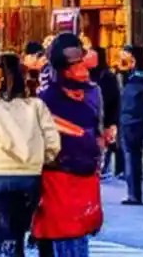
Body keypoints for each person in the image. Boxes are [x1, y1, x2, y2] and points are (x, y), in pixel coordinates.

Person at [0, 52, 59, 257]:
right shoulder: (36, 106)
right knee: (19, 233)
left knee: (4, 239)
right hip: (30, 178)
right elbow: (53, 143)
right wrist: (43, 158)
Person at [34, 33, 104, 257]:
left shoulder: (91, 93)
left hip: (76, 173)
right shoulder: (47, 99)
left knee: (72, 235)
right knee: (67, 236)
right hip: (58, 176)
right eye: (76, 64)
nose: (82, 69)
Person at [118, 45, 143, 206]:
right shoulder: (134, 77)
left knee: (132, 157)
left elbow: (130, 104)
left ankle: (134, 194)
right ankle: (134, 192)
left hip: (132, 122)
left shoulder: (137, 80)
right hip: (133, 121)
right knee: (133, 157)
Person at [91, 49, 121, 179]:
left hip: (105, 115)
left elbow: (114, 98)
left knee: (105, 142)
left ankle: (104, 166)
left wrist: (113, 120)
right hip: (95, 115)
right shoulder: (88, 74)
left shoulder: (107, 76)